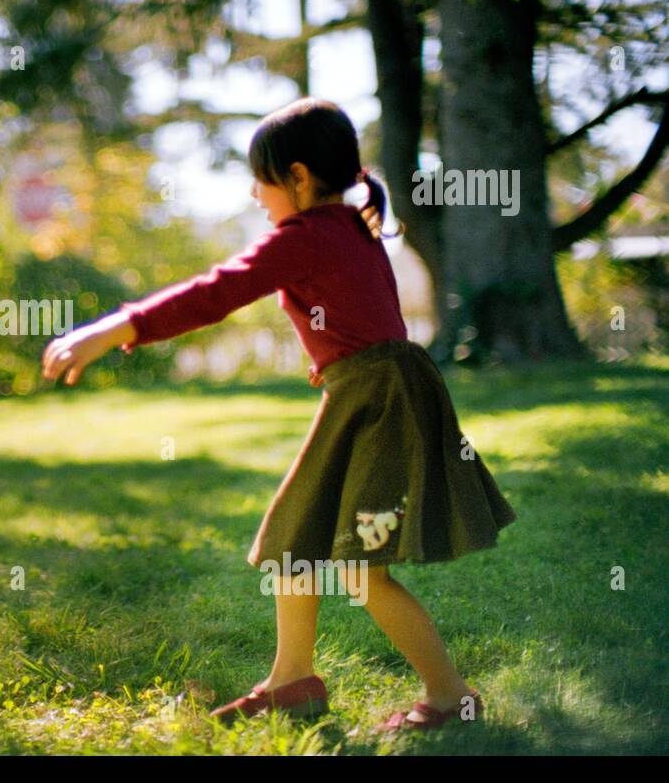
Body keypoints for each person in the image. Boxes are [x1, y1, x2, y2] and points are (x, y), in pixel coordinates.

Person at [40, 97, 516, 733]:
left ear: (296, 176)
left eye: (261, 178)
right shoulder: (348, 226)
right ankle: (291, 682)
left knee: (358, 568)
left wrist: (116, 327)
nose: (254, 193)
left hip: (379, 401)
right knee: (297, 542)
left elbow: (219, 290)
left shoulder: (310, 235)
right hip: (370, 394)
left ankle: (449, 696)